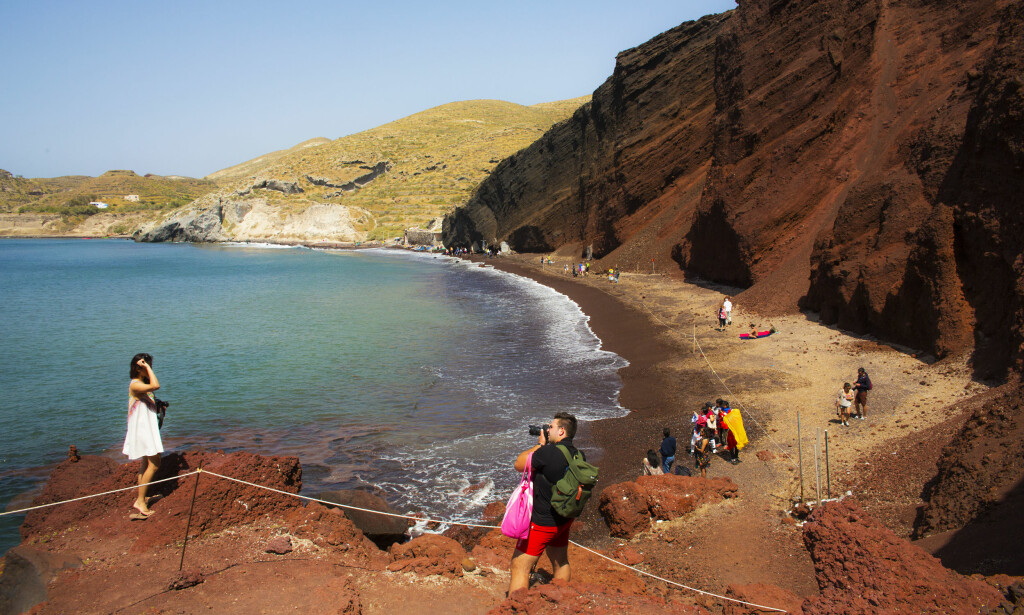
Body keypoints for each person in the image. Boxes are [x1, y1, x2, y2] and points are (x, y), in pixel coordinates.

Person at [509, 412, 582, 594]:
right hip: (564, 519)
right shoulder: (578, 454)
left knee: (520, 565)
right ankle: (560, 599)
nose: (547, 430)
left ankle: (516, 607)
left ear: (562, 431)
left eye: (551, 427)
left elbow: (519, 464)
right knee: (560, 559)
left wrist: (540, 444)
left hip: (543, 521)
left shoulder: (548, 452)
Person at [123, 353, 163, 517]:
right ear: (139, 368)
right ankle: (140, 501)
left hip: (145, 428)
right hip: (142, 431)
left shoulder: (140, 384)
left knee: (145, 464)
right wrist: (146, 367)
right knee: (154, 463)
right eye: (148, 366)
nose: (150, 368)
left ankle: (142, 496)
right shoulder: (135, 385)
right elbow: (156, 385)